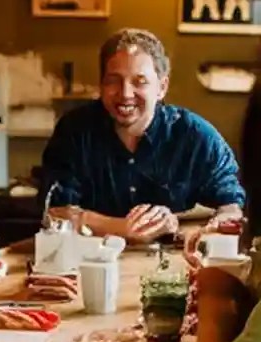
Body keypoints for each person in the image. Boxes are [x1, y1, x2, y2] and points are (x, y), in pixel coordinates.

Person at [40, 28, 245, 244]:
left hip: (175, 260)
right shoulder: (74, 131)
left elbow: (232, 208)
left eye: (140, 81)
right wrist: (123, 228)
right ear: (101, 84)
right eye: (113, 81)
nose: (125, 94)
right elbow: (54, 212)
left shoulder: (196, 136)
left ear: (162, 87)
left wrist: (180, 227)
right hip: (90, 259)